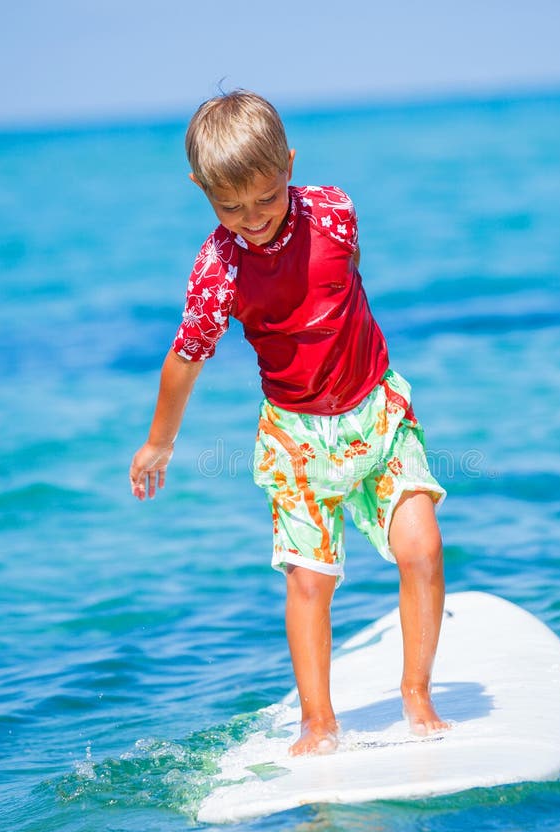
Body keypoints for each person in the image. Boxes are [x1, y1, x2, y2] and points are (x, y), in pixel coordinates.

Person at [129, 90, 449, 755]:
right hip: (299, 438)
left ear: (290, 166)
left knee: (422, 550)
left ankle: (416, 693)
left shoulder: (335, 212)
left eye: (267, 200)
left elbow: (346, 279)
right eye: (229, 207)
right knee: (310, 580)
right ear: (202, 190)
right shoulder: (219, 270)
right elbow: (185, 359)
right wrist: (160, 442)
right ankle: (318, 723)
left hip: (377, 411)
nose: (252, 220)